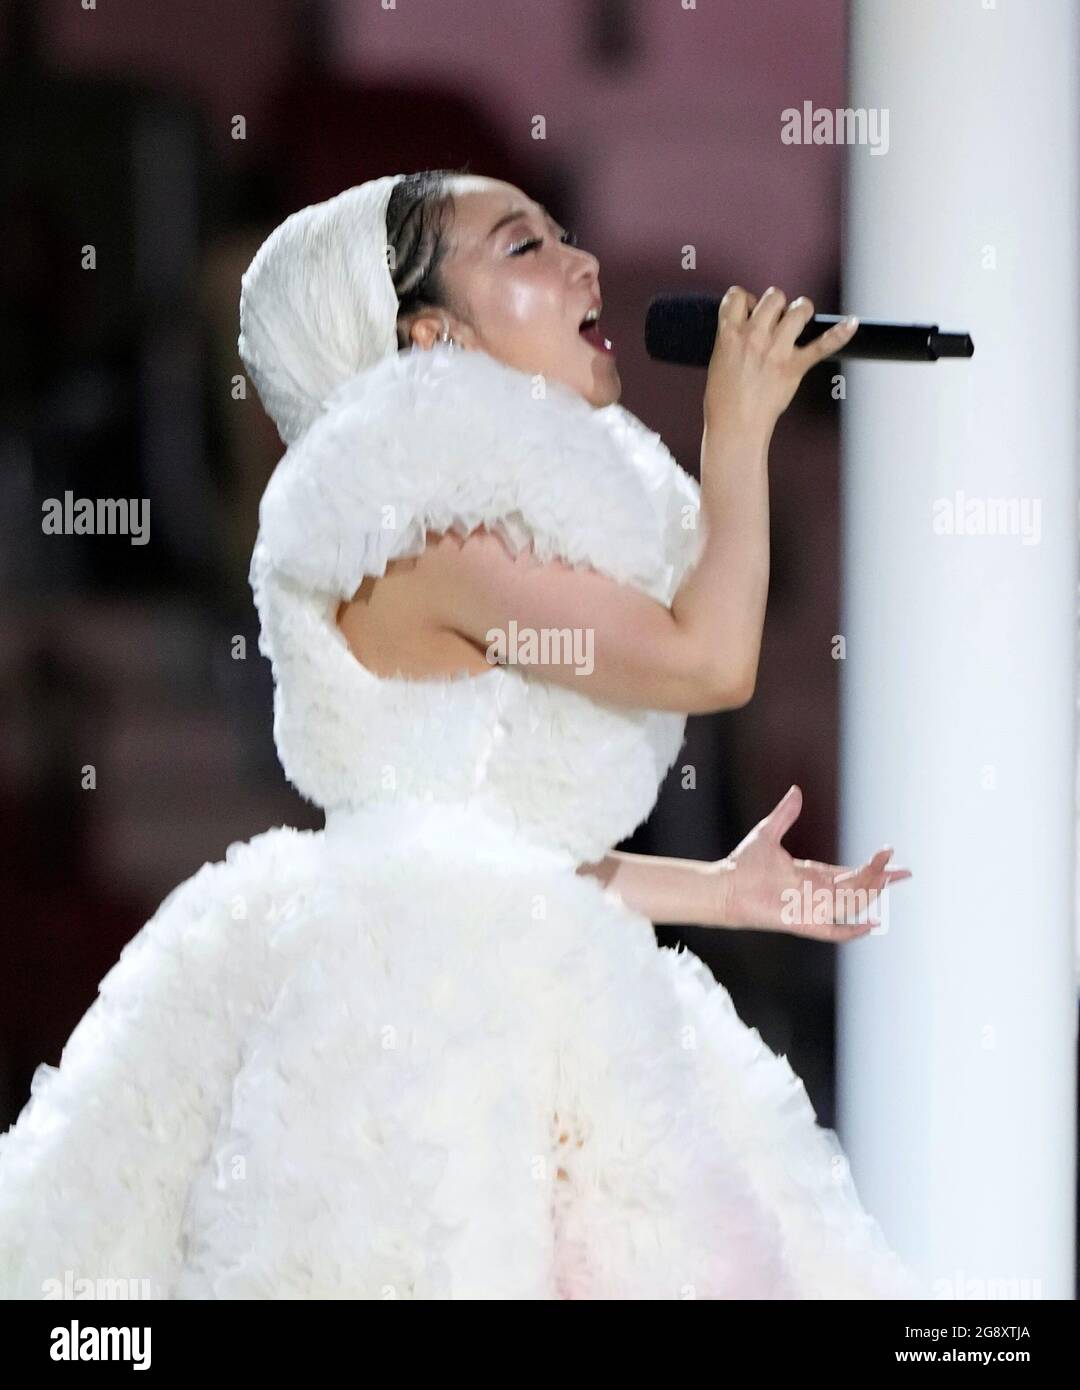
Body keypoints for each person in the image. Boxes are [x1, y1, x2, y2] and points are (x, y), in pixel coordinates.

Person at [0, 169, 923, 1300]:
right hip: (430, 1043)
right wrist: (737, 430)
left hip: (498, 986)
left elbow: (488, 863)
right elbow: (709, 660)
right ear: (429, 335)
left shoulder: (459, 531)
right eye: (525, 248)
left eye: (565, 236)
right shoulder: (425, 539)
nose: (586, 267)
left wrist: (721, 891)